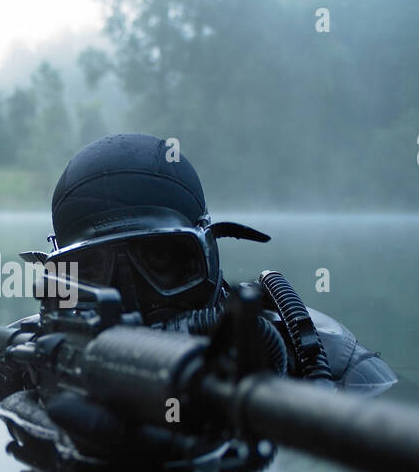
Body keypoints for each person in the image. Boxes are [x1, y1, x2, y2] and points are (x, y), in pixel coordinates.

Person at [25, 133, 396, 389]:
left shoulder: (324, 359)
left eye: (161, 258)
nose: (134, 302)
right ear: (58, 283)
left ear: (209, 250)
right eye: (91, 271)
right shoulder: (32, 355)